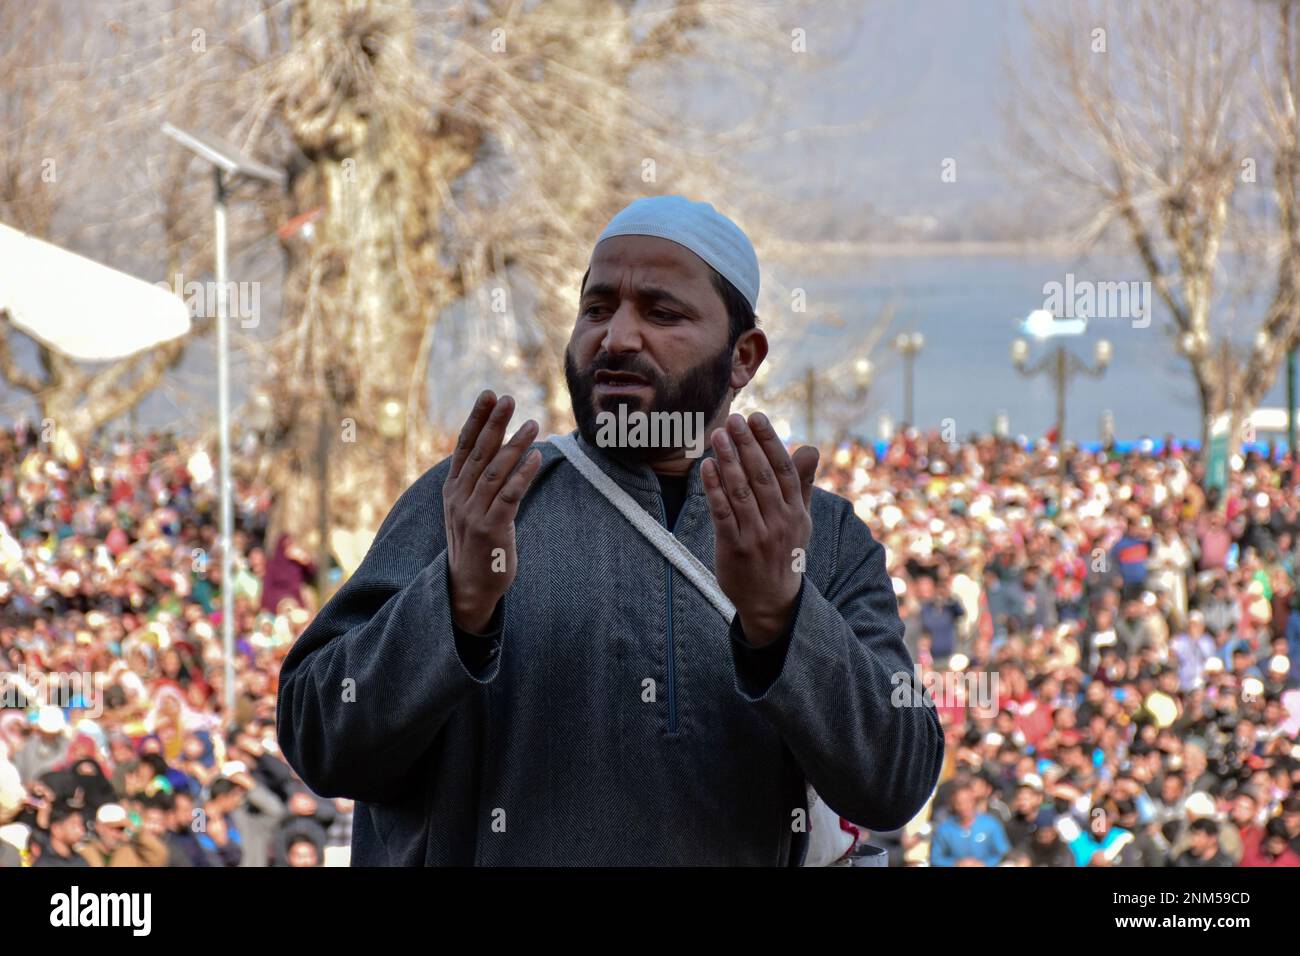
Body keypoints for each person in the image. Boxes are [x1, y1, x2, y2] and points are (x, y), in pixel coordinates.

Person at [277, 194, 944, 866]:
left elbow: (896, 783)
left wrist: (784, 617)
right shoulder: (476, 499)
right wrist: (455, 603)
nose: (617, 337)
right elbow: (319, 740)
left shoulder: (819, 534)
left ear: (744, 356)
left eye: (662, 312)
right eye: (597, 308)